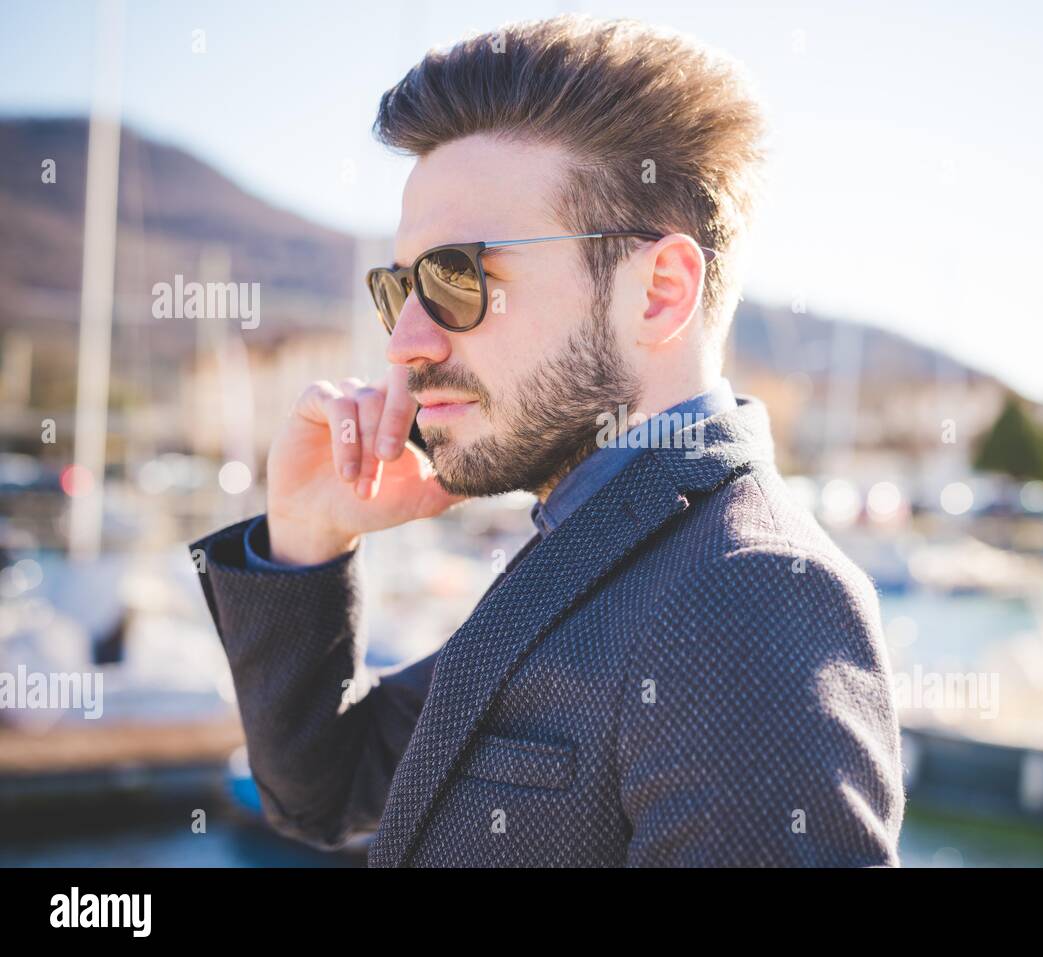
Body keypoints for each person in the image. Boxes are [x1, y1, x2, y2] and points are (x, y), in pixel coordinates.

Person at [191, 14, 903, 867]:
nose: (405, 342)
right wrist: (307, 536)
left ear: (659, 292)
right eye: (400, 288)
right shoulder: (592, 536)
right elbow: (327, 793)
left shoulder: (751, 596)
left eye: (457, 277)